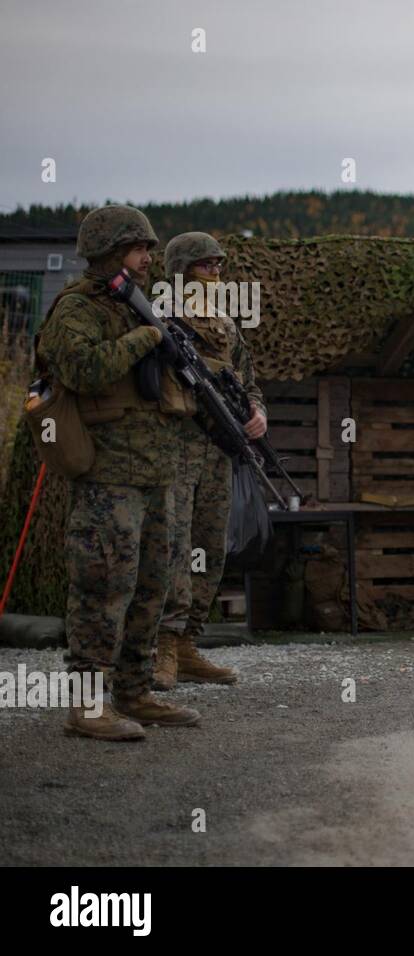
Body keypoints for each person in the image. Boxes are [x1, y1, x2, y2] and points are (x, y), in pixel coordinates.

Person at [36, 205, 200, 740]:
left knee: (152, 586)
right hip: (109, 476)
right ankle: (87, 706)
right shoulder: (78, 309)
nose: (149, 259)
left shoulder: (138, 306)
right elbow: (81, 370)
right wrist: (146, 340)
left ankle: (134, 692)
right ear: (111, 251)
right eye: (140, 250)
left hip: (155, 472)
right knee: (104, 587)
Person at [153, 232, 266, 689]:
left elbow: (249, 382)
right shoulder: (159, 321)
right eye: (206, 266)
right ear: (181, 271)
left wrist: (257, 414)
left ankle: (187, 645)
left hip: (218, 451)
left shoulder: (226, 326)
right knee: (171, 548)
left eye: (220, 266)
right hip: (173, 448)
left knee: (209, 547)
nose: (217, 274)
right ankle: (162, 646)